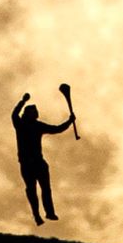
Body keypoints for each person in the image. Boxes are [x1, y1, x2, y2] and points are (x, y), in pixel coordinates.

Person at [11, 92, 75, 225]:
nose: (36, 113)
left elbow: (57, 129)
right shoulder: (20, 124)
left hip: (39, 163)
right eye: (33, 111)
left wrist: (69, 121)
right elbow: (14, 114)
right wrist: (22, 101)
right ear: (27, 114)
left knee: (45, 188)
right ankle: (37, 215)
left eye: (36, 111)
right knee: (32, 189)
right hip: (27, 163)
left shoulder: (38, 125)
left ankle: (49, 212)